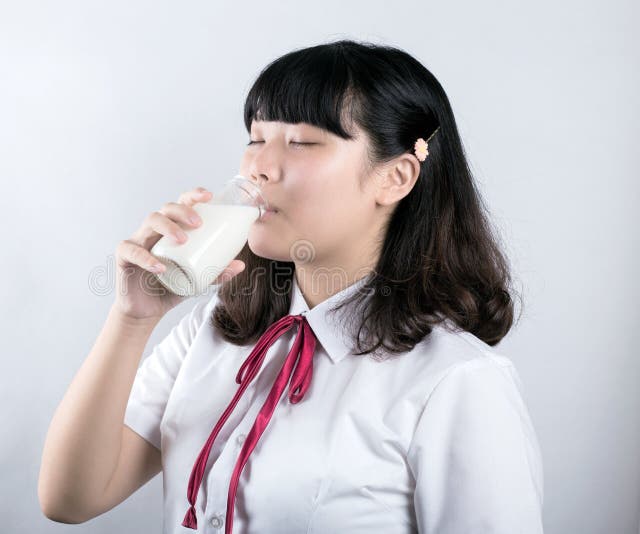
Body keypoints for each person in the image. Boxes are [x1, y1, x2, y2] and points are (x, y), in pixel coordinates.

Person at [38, 39, 545, 534]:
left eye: (301, 142)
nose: (259, 166)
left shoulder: (457, 382)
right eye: (255, 138)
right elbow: (71, 499)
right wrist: (133, 319)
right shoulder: (213, 332)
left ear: (395, 178)